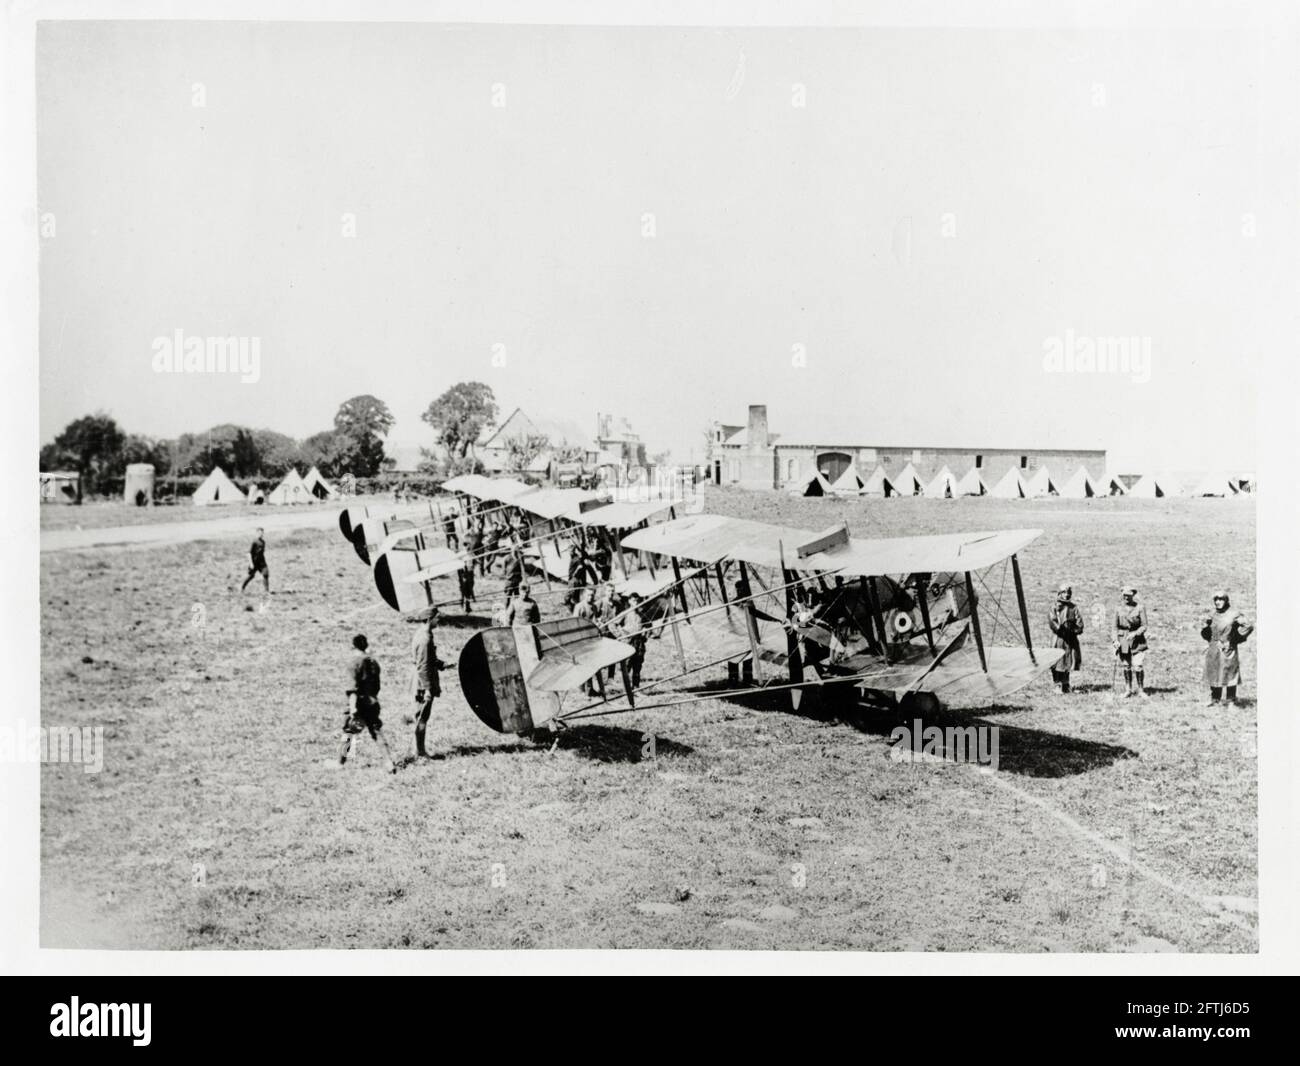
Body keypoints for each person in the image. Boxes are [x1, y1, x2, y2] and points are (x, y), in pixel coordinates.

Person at [339, 634, 396, 772]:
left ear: (353, 646)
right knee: (376, 731)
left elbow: (353, 689)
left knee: (348, 732)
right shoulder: (373, 662)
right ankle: (389, 762)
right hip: (372, 701)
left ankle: (341, 763)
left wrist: (352, 708)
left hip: (358, 702)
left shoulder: (354, 663)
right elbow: (377, 685)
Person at [1200, 590, 1253, 706]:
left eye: (1221, 599)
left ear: (1226, 600)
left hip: (1228, 648)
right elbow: (1207, 630)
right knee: (1214, 672)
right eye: (1216, 599)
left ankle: (1231, 700)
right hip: (1214, 647)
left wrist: (1235, 639)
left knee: (1230, 673)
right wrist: (1205, 630)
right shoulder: (1212, 614)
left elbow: (1248, 626)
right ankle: (1215, 699)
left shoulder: (1234, 614)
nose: (1218, 602)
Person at [410, 609, 449, 758]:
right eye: (436, 618)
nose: (438, 620)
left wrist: (442, 665)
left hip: (423, 679)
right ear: (429, 619)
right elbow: (422, 666)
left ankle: (419, 750)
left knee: (421, 716)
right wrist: (427, 689)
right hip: (422, 682)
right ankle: (419, 752)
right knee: (421, 716)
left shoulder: (425, 635)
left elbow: (427, 660)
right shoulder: (424, 639)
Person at [1113, 586, 1149, 699]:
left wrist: (1135, 633)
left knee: (1138, 665)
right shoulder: (1118, 608)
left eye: (1128, 596)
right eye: (1124, 596)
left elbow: (1144, 625)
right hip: (1123, 639)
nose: (1126, 598)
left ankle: (1141, 690)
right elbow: (1114, 627)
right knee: (1126, 666)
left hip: (1137, 641)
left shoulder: (1140, 608)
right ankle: (1127, 689)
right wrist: (1115, 640)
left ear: (1133, 595)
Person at [1047, 583, 1084, 692]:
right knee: (1057, 661)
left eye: (1069, 593)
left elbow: (1080, 623)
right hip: (1058, 638)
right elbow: (1052, 621)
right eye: (1064, 592)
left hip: (1070, 639)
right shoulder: (1054, 607)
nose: (1067, 595)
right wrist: (1060, 630)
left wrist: (1074, 630)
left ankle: (1065, 684)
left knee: (1068, 660)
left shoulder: (1074, 608)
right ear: (1060, 593)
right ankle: (1057, 684)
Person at [240, 528, 270, 594]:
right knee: (251, 576)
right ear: (256, 533)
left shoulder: (263, 542)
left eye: (262, 533)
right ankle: (242, 588)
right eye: (259, 533)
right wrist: (251, 563)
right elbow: (248, 553)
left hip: (262, 562)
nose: (261, 534)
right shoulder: (254, 542)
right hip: (254, 562)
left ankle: (266, 591)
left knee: (266, 574)